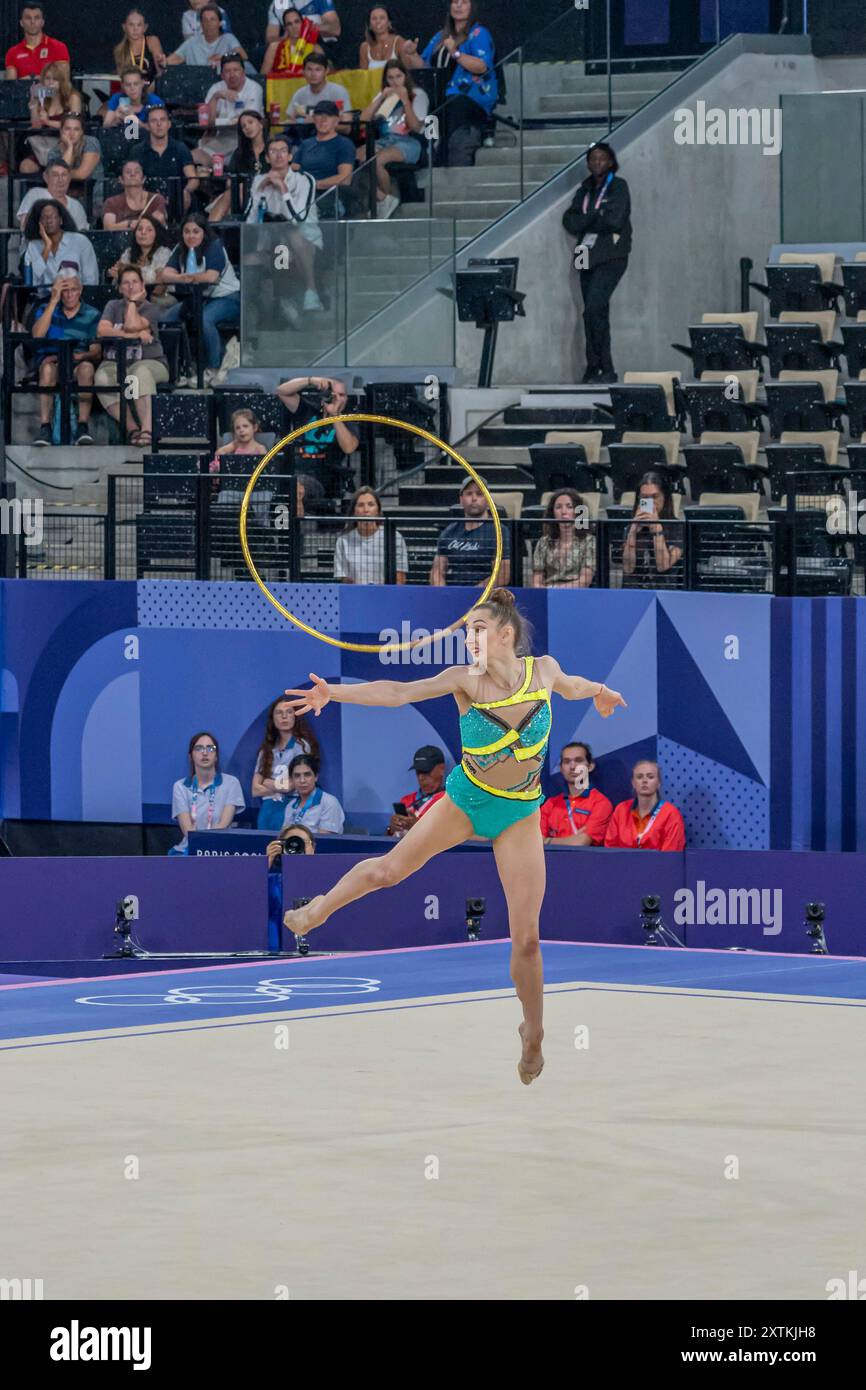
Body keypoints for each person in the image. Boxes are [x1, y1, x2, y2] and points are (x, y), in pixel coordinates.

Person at [284, 588, 627, 1083]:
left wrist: (602, 691)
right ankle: (316, 911)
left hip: (518, 815)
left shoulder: (543, 671)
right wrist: (332, 693)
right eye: (467, 632)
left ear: (506, 635)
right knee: (387, 871)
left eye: (478, 631)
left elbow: (574, 686)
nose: (469, 640)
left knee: (527, 940)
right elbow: (397, 692)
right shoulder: (464, 681)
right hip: (467, 802)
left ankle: (533, 1032)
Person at [562, 142, 631, 384]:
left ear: (610, 161)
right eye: (592, 159)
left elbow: (614, 221)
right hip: (584, 255)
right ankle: (594, 367)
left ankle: (606, 368)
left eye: (601, 158)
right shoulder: (584, 189)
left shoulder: (618, 186)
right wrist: (595, 215)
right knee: (589, 313)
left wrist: (587, 219)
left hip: (610, 255)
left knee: (595, 307)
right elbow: (569, 221)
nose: (596, 163)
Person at [403, 0, 497, 167]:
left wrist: (455, 52)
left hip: (469, 95)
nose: (458, 6)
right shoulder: (440, 37)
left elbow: (482, 66)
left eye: (464, 2)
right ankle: (428, 153)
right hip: (441, 95)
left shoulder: (479, 33)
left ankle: (443, 157)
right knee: (427, 105)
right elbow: (425, 67)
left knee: (451, 103)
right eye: (455, 2)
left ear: (472, 7)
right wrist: (412, 54)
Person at [244, 135, 323, 313]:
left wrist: (283, 189)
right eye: (273, 151)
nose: (278, 155)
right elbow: (250, 221)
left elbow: (298, 219)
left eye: (283, 151)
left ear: (289, 156)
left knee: (291, 236)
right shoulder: (259, 180)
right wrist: (260, 191)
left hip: (305, 240)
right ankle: (267, 309)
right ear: (266, 157)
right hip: (273, 244)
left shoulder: (304, 180)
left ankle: (311, 292)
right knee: (249, 259)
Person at [158, 213, 240, 381]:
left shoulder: (214, 246)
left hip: (227, 297)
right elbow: (165, 275)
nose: (190, 236)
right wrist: (184, 278)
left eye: (196, 231)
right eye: (186, 231)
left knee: (205, 319)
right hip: (197, 298)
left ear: (204, 232)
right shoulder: (180, 248)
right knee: (166, 319)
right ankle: (176, 367)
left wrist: (185, 277)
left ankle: (213, 368)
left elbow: (210, 277)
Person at [95, 264, 169, 446]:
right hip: (115, 361)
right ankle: (132, 428)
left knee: (137, 374)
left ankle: (147, 430)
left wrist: (133, 304)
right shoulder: (112, 306)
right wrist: (134, 336)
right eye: (126, 283)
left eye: (135, 282)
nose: (130, 286)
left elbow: (131, 324)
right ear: (119, 287)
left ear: (143, 285)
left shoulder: (151, 308)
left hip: (151, 362)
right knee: (102, 378)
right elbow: (102, 330)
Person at [30, 274, 101, 446]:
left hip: (77, 363)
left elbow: (96, 352)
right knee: (47, 369)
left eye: (74, 290)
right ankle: (45, 427)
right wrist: (53, 302)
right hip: (52, 363)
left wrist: (77, 356)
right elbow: (37, 335)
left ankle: (83, 427)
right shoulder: (46, 309)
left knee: (86, 369)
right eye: (65, 290)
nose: (69, 295)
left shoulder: (92, 314)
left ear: (81, 290)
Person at [359, 60, 428, 219]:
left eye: (398, 76)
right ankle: (384, 197)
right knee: (357, 156)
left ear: (405, 77)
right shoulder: (385, 94)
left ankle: (386, 197)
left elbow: (416, 127)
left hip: (408, 141)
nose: (395, 81)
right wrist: (381, 97)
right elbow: (363, 120)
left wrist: (405, 100)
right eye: (390, 78)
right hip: (385, 140)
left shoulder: (418, 94)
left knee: (375, 160)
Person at [275, 375, 360, 496]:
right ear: (324, 396)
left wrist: (335, 416)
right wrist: (311, 380)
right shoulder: (308, 411)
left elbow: (349, 447)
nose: (336, 398)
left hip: (326, 479)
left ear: (346, 399)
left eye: (341, 395)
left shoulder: (349, 423)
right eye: (332, 394)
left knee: (297, 486)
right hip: (298, 471)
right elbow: (282, 391)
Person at [170, 731, 245, 853]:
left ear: (216, 756)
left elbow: (223, 827)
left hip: (221, 849)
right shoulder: (180, 787)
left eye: (210, 748)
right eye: (198, 748)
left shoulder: (231, 783)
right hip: (190, 849)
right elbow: (188, 832)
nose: (204, 753)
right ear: (191, 756)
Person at [251, 694, 319, 830]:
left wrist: (266, 782)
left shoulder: (302, 746)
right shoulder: (266, 750)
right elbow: (255, 790)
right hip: (267, 811)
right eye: (279, 713)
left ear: (295, 716)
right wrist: (280, 788)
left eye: (289, 712)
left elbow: (291, 786)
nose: (284, 716)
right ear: (273, 718)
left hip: (292, 808)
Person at [430, 476, 510, 586]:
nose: (474, 498)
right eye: (469, 494)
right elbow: (437, 572)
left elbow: (502, 575)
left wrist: (473, 593)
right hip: (452, 594)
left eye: (479, 494)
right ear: (461, 499)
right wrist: (444, 593)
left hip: (485, 598)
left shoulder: (500, 532)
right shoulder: (449, 531)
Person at [195, 53, 264, 172]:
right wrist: (217, 97)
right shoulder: (216, 89)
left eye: (236, 70)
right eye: (227, 71)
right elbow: (207, 122)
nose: (232, 75)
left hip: (245, 141)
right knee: (193, 158)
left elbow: (249, 120)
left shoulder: (254, 88)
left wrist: (222, 121)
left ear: (243, 72)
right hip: (219, 140)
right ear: (222, 75)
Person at [129, 106, 199, 218]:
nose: (159, 124)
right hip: (148, 200)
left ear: (169, 124)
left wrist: (185, 191)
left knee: (186, 197)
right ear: (147, 126)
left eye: (162, 120)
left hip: (176, 199)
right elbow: (132, 180)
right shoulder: (137, 151)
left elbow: (193, 179)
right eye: (154, 121)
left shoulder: (181, 148)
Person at [540, 742, 612, 847]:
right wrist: (571, 839)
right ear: (561, 768)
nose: (573, 766)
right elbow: (535, 842)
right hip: (550, 862)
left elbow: (580, 843)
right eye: (566, 761)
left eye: (578, 760)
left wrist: (547, 841)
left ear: (590, 766)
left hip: (584, 862)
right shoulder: (550, 804)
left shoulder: (601, 803)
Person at [292, 100, 356, 216]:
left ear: (337, 120)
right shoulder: (306, 144)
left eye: (329, 115)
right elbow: (293, 169)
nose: (323, 119)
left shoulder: (344, 144)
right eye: (319, 115)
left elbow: (345, 178)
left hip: (329, 197)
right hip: (302, 195)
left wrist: (314, 185)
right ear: (314, 118)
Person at [604, 760, 685, 851]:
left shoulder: (671, 814)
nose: (644, 781)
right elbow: (610, 850)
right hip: (623, 864)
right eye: (639, 777)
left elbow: (671, 855)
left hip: (658, 864)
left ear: (659, 783)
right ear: (633, 783)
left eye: (650, 777)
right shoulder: (621, 809)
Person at [333, 485, 407, 583]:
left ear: (377, 511)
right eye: (360, 505)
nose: (366, 510)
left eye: (371, 504)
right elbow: (344, 580)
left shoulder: (395, 538)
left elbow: (400, 579)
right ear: (354, 511)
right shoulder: (343, 541)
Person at [621, 471, 683, 587]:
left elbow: (663, 565)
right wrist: (633, 531)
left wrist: (657, 529)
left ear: (665, 497)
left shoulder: (678, 528)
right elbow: (628, 568)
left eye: (655, 497)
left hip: (664, 592)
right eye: (645, 497)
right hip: (634, 592)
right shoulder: (630, 528)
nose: (651, 502)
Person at [107, 214, 176, 316]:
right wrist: (115, 274)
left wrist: (124, 275)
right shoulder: (128, 253)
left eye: (149, 230)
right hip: (128, 299)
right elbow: (118, 280)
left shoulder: (164, 253)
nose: (143, 233)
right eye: (140, 229)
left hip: (156, 299)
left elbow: (158, 285)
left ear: (156, 233)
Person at [19, 61, 82, 172]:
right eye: (47, 78)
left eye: (55, 79)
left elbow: (74, 126)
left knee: (57, 169)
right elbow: (36, 126)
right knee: (25, 167)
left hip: (64, 146)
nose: (51, 82)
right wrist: (34, 103)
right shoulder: (42, 97)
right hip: (42, 146)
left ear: (62, 81)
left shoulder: (72, 97)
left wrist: (48, 122)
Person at [205, 109, 267, 222]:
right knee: (233, 194)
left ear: (261, 124)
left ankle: (212, 230)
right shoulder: (240, 153)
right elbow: (230, 181)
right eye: (243, 126)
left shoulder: (272, 148)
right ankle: (213, 229)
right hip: (241, 195)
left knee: (234, 196)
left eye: (250, 122)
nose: (247, 127)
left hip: (267, 192)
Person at [21, 199, 98, 286]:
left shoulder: (81, 242)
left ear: (61, 220)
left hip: (75, 297)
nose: (49, 221)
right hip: (44, 298)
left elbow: (91, 280)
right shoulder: (33, 246)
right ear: (39, 223)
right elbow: (31, 281)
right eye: (44, 217)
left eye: (53, 216)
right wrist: (47, 247)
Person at [532, 488, 595, 588]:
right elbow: (536, 581)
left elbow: (584, 581)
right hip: (547, 594)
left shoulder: (589, 541)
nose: (564, 512)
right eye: (558, 507)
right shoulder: (543, 542)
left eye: (569, 507)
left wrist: (556, 590)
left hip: (576, 595)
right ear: (552, 513)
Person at [387, 745, 446, 837]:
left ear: (441, 769)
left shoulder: (449, 801)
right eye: (418, 771)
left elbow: (451, 839)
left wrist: (416, 828)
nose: (421, 777)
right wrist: (391, 829)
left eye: (426, 771)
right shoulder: (406, 800)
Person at [167, 5, 248, 68]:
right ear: (201, 24)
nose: (209, 23)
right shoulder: (191, 42)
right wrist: (163, 62)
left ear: (220, 23)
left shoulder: (228, 38)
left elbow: (243, 56)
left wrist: (223, 58)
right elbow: (172, 60)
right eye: (205, 20)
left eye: (212, 19)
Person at [281, 754, 345, 834]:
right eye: (297, 776)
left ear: (316, 777)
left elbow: (326, 841)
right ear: (292, 779)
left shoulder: (329, 802)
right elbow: (284, 836)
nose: (302, 780)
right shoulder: (290, 806)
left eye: (307, 775)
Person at [5, 3, 69, 80]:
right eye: (28, 18)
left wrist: (34, 80)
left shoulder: (59, 47)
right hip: (24, 92)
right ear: (21, 23)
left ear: (42, 22)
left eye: (37, 18)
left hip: (51, 92)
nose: (32, 22)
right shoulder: (12, 53)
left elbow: (64, 81)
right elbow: (11, 86)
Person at [16, 162, 88, 231]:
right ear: (46, 177)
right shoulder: (35, 194)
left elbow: (82, 237)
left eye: (64, 175)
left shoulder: (77, 206)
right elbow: (25, 227)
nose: (60, 180)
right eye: (55, 175)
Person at [44, 112, 103, 192]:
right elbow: (57, 177)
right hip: (65, 195)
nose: (72, 133)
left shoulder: (91, 142)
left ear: (82, 132)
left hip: (93, 195)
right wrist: (70, 147)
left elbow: (82, 174)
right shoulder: (54, 152)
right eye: (68, 129)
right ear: (61, 131)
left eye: (76, 129)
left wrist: (60, 175)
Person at [101, 160, 168, 229]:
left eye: (137, 172)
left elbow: (158, 220)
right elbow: (108, 227)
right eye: (128, 172)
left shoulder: (156, 199)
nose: (133, 174)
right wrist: (130, 224)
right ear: (121, 179)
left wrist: (124, 225)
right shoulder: (111, 202)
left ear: (143, 179)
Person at [286, 50, 350, 122]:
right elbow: (290, 121)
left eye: (318, 70)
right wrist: (295, 120)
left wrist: (316, 122)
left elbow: (347, 127)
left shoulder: (338, 92)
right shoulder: (299, 94)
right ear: (303, 72)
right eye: (309, 69)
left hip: (330, 133)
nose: (313, 74)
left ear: (326, 71)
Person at [261, 6, 320, 78]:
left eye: (297, 22)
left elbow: (328, 71)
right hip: (281, 86)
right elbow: (262, 77)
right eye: (289, 24)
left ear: (303, 24)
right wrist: (283, 75)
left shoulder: (314, 48)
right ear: (285, 28)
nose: (294, 26)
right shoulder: (275, 47)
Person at [113, 9, 167, 84]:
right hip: (131, 91)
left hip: (151, 90)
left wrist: (162, 66)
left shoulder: (152, 41)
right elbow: (121, 79)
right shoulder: (119, 50)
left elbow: (160, 74)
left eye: (139, 25)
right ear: (124, 27)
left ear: (145, 28)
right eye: (131, 25)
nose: (135, 29)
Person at [266, 0, 340, 45]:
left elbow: (335, 29)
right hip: (290, 46)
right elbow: (270, 39)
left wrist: (310, 28)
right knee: (258, 54)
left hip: (321, 43)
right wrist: (284, 39)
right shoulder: (278, 4)